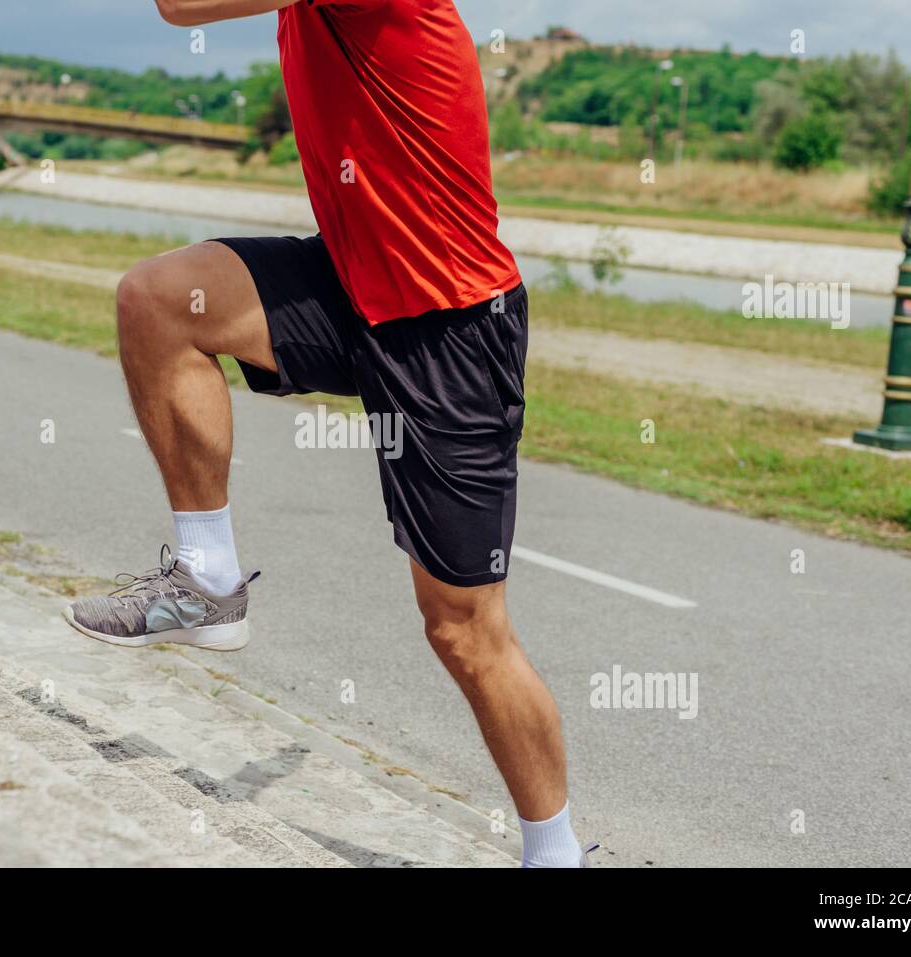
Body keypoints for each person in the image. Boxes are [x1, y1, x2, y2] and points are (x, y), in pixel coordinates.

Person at [65, 0, 594, 868]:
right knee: (157, 300)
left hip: (449, 328)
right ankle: (207, 576)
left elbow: (178, 5)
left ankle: (557, 852)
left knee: (463, 630)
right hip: (352, 282)